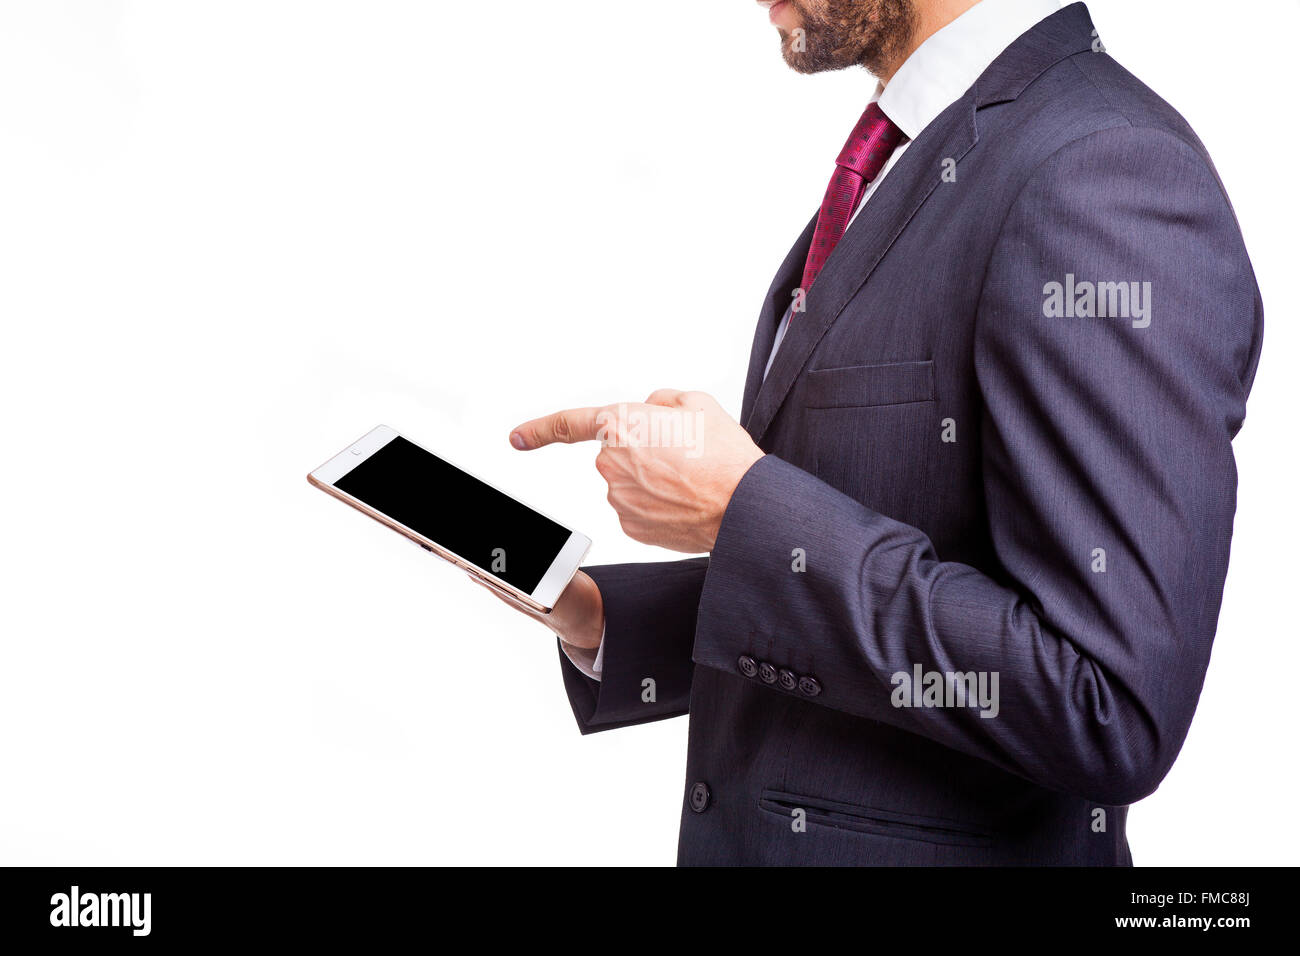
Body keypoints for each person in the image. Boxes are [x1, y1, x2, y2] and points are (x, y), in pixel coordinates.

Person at [488, 0, 1263, 865]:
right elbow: (921, 552)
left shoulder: (1104, 169)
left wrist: (741, 507)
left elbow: (1106, 705)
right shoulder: (923, 150)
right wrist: (610, 620)